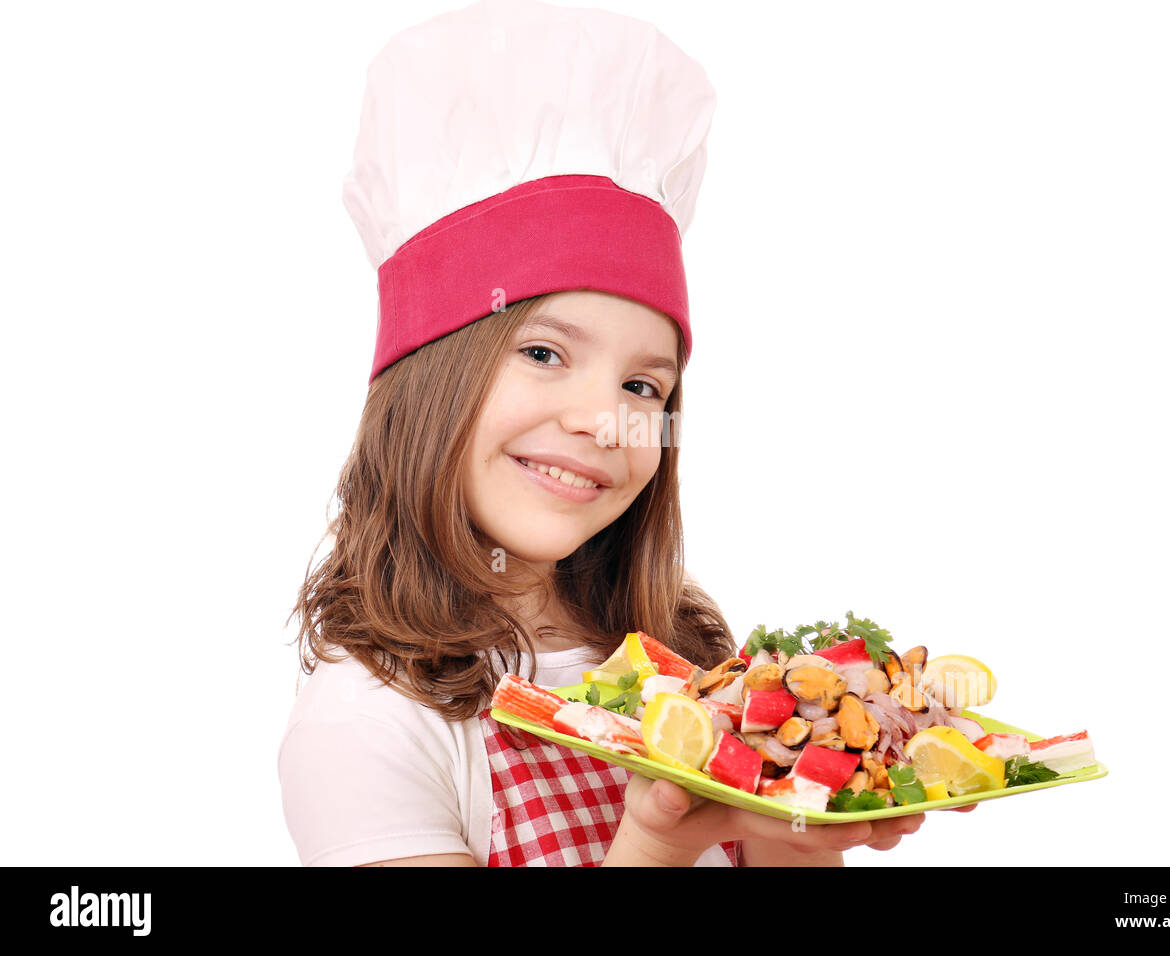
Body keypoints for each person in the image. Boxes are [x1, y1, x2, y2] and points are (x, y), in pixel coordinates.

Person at [277, 0, 964, 867]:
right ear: (426, 375)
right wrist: (655, 842)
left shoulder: (685, 665)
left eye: (644, 384)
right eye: (543, 351)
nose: (603, 419)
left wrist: (805, 810)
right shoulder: (369, 721)